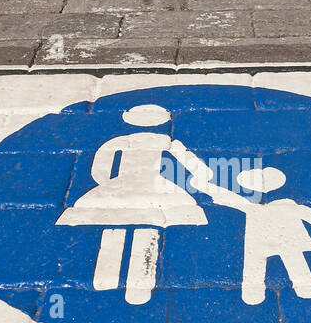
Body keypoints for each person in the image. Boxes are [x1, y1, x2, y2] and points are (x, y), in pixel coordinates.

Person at [56, 103, 208, 305]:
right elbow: (192, 163)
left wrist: (110, 185)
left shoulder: (119, 141)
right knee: (151, 229)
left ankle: (105, 277)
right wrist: (198, 179)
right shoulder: (166, 141)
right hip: (155, 185)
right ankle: (142, 280)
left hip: (122, 185)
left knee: (113, 228)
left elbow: (100, 168)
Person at [179, 155, 311, 305]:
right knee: (291, 263)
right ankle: (300, 289)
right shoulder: (282, 204)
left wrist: (204, 186)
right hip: (285, 239)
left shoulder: (262, 206)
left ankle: (255, 294)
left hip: (264, 240)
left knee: (260, 265)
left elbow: (228, 198)